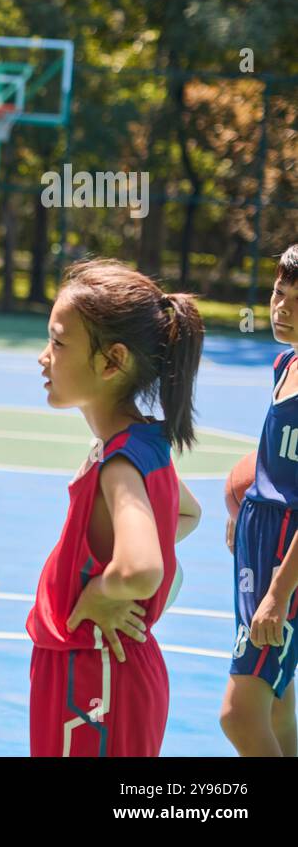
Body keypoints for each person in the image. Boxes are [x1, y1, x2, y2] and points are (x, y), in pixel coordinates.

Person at [27, 259, 203, 756]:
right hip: (98, 674)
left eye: (59, 343)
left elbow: (142, 568)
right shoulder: (140, 443)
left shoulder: (119, 464)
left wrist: (104, 591)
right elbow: (185, 514)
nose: (44, 357)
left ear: (111, 362)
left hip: (94, 680)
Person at [220, 244, 298, 756]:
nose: (282, 307)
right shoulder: (285, 363)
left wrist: (279, 591)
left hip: (285, 553)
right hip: (261, 534)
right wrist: (249, 499)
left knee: (239, 715)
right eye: (278, 292)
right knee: (275, 706)